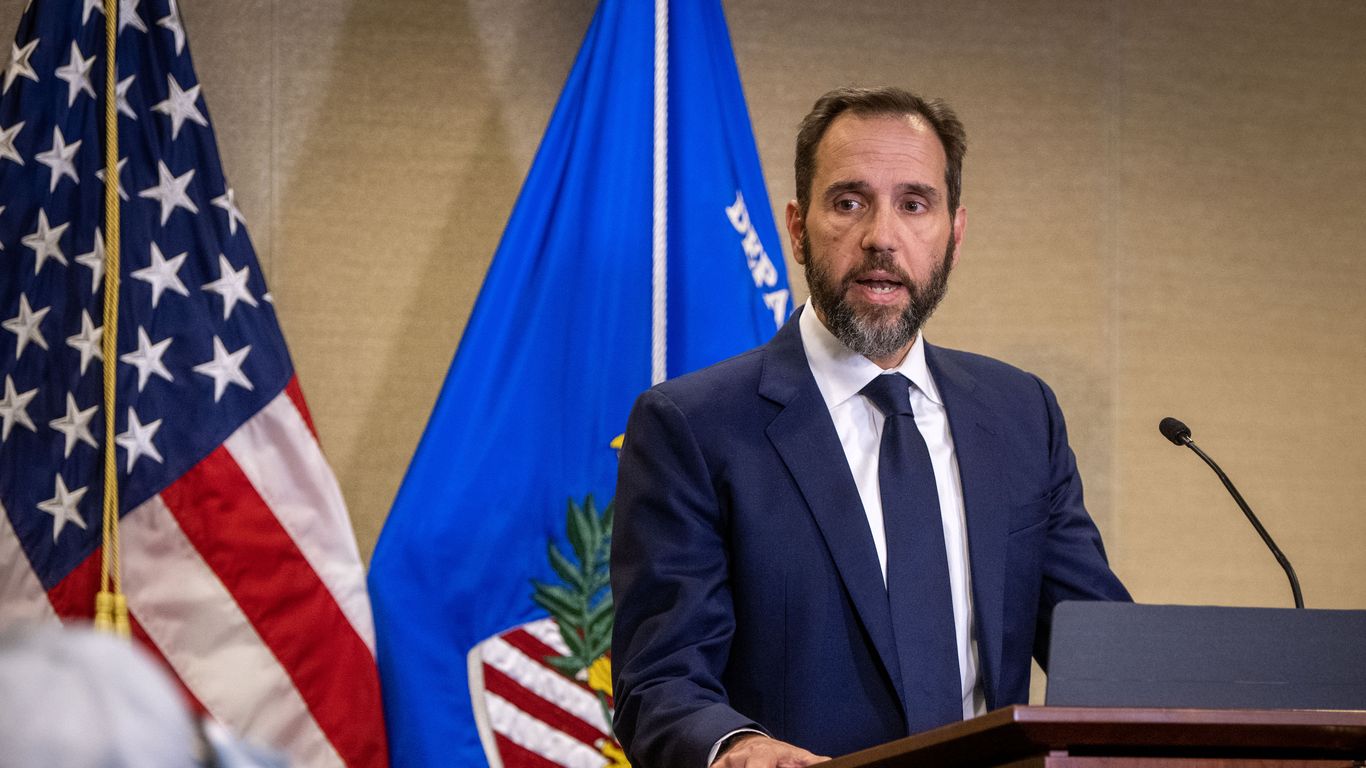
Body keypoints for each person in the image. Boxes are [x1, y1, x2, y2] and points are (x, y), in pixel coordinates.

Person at [609, 86, 1131, 768]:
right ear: (798, 229)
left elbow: (1103, 656)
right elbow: (660, 679)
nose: (882, 237)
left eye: (914, 204)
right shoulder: (694, 426)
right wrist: (737, 747)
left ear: (954, 234)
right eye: (850, 202)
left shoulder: (1021, 415)